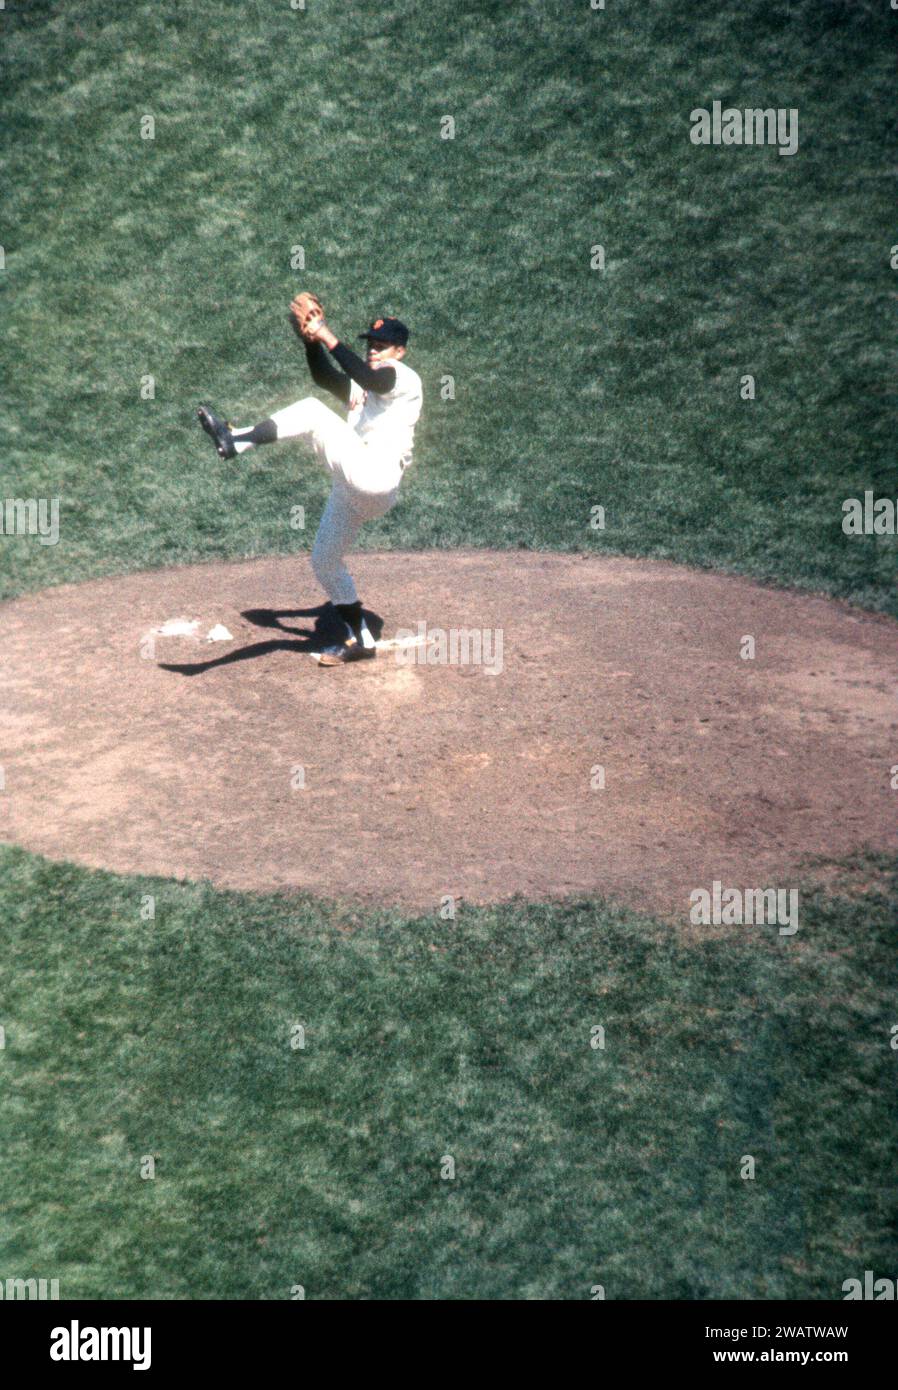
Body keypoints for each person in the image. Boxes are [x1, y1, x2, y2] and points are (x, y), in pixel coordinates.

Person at [197, 301, 422, 665]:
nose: (373, 351)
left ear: (399, 351)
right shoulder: (365, 390)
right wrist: (310, 343)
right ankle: (361, 639)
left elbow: (373, 379)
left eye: (381, 346)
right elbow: (326, 378)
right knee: (325, 562)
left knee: (313, 413)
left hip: (377, 475)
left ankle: (235, 441)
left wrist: (327, 335)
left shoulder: (403, 378)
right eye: (370, 344)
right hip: (355, 487)